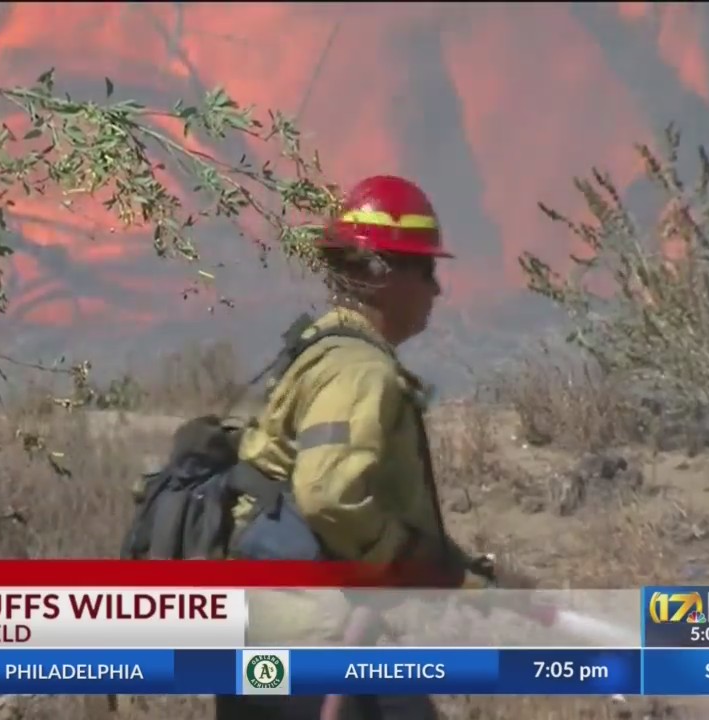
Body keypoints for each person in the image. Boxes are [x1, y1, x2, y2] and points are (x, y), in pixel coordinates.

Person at [215, 175, 501, 720]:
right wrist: (408, 561)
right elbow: (329, 494)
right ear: (383, 273)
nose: (437, 290)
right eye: (426, 270)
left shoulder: (323, 350)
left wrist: (453, 569)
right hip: (313, 643)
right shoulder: (358, 370)